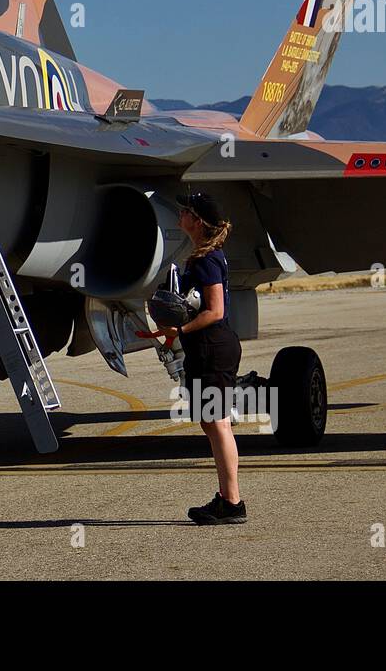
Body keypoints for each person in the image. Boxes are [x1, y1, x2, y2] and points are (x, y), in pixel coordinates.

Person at [161, 192, 248, 525]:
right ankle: (228, 498)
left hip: (213, 346)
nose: (180, 214)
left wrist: (179, 331)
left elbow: (215, 310)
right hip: (209, 347)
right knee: (212, 423)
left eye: (185, 211)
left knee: (218, 423)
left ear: (197, 221)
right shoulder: (203, 256)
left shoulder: (206, 260)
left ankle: (232, 502)